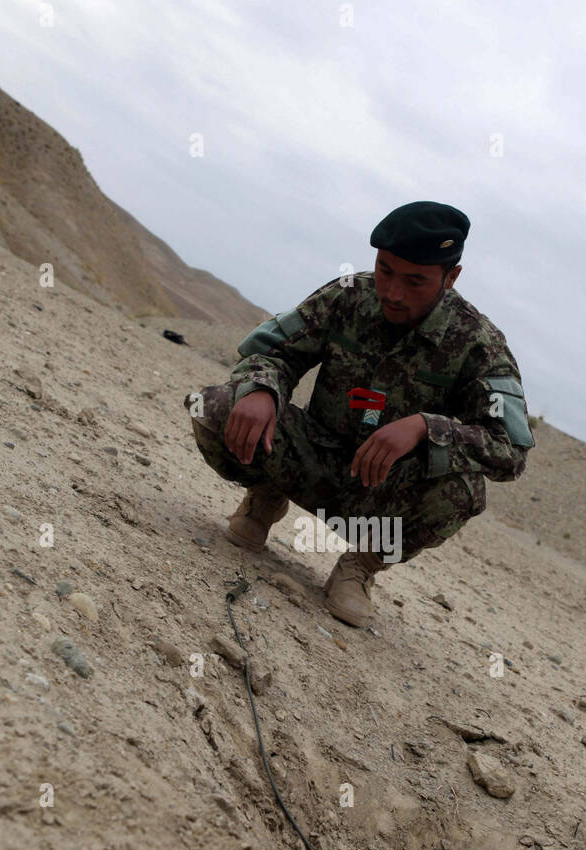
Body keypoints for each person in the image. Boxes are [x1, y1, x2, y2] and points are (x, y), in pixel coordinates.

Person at [184, 201, 534, 627]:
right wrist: (263, 387)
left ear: (451, 277)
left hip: (383, 493)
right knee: (219, 405)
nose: (393, 292)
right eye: (385, 270)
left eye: (415, 281)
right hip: (309, 456)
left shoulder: (478, 345)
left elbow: (510, 452)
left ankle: (362, 566)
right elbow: (272, 350)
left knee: (463, 491)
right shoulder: (349, 294)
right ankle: (264, 496)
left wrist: (427, 428)